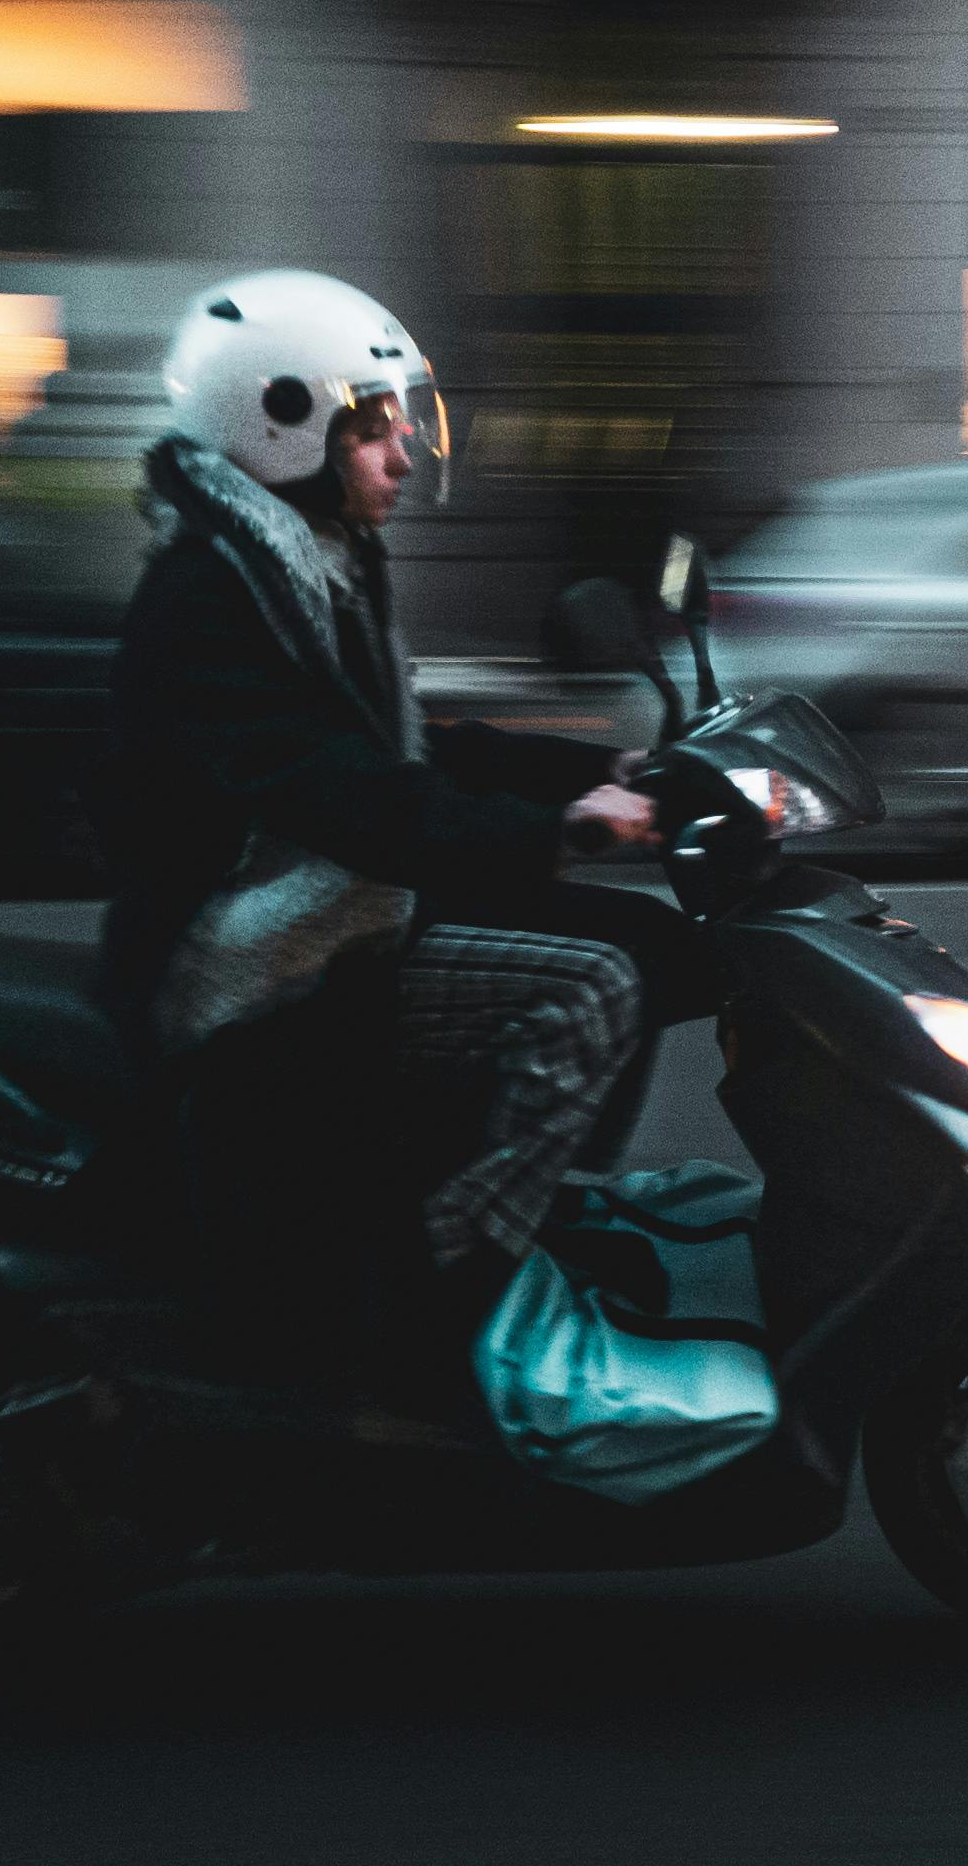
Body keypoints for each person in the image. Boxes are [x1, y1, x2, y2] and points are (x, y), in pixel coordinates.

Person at [93, 269, 715, 1406]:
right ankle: (452, 1281)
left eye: (395, 423)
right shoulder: (214, 597)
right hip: (235, 951)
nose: (401, 453)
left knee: (654, 946)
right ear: (277, 421)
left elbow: (414, 749)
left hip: (319, 900)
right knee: (596, 986)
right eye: (371, 426)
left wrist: (604, 770)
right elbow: (349, 798)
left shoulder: (304, 563)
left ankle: (516, 1203)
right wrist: (560, 830)